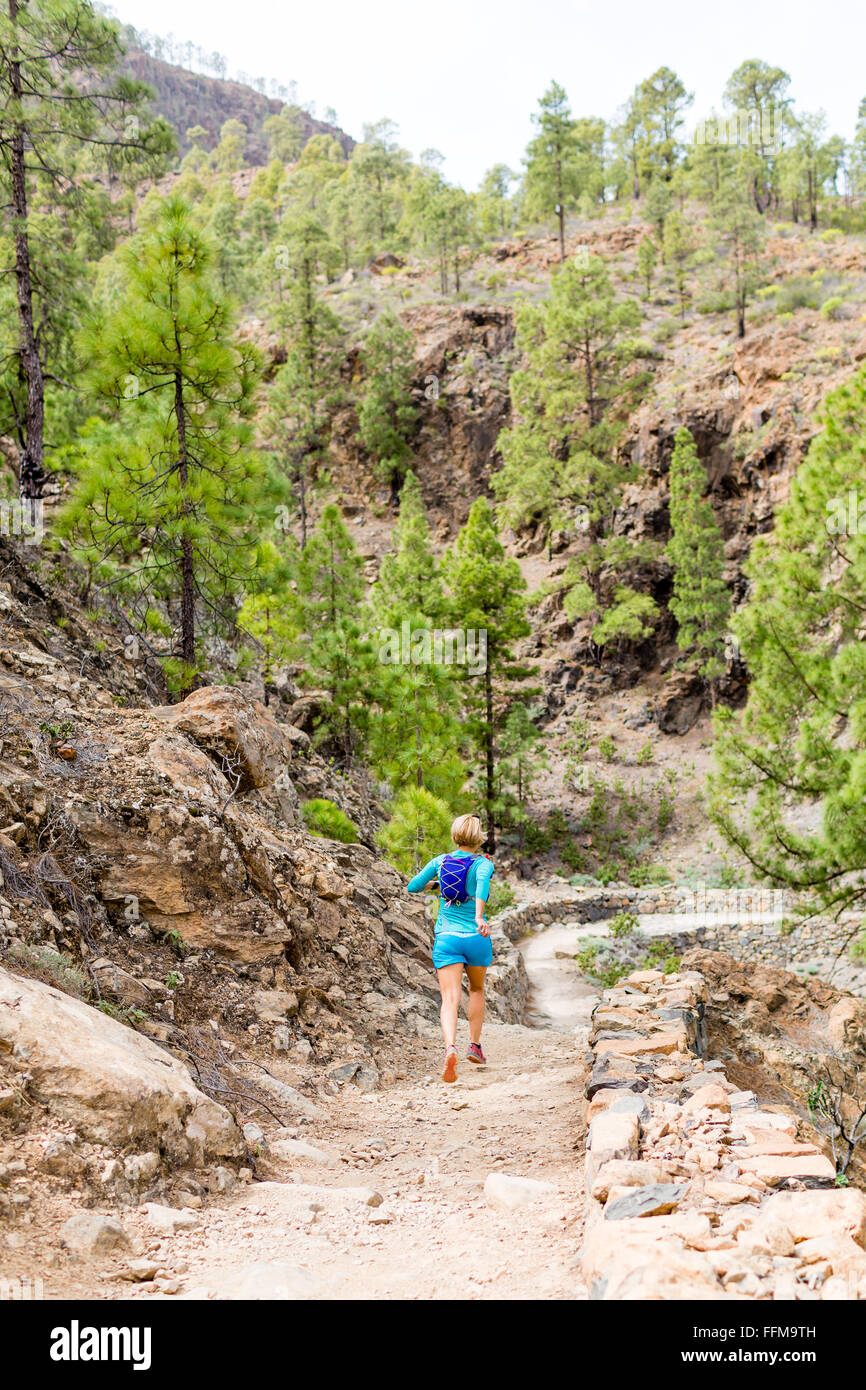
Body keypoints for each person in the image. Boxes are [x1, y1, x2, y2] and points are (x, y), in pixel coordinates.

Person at [406, 813, 494, 1083]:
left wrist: (440, 885)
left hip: (447, 938)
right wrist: (478, 916)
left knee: (450, 998)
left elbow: (413, 886)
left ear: (455, 835)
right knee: (477, 989)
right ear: (479, 838)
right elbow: (481, 888)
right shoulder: (483, 864)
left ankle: (450, 1048)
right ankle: (475, 1047)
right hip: (476, 937)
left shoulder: (441, 861)